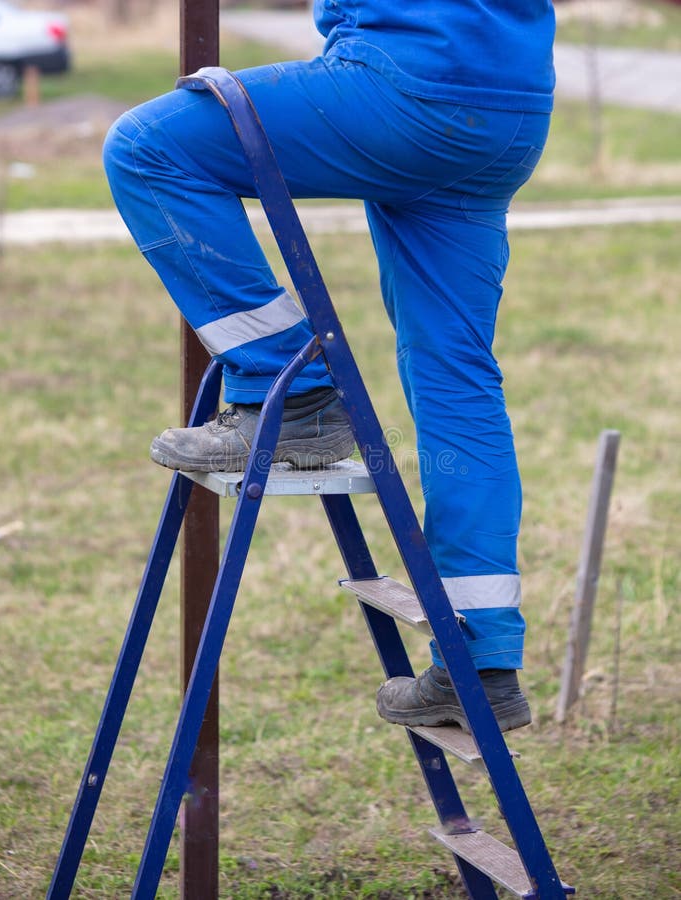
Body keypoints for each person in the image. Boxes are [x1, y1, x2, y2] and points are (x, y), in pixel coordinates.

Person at [103, 1, 555, 734]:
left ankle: (294, 390)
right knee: (457, 377)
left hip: (406, 84)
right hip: (508, 105)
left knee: (149, 148)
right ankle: (483, 664)